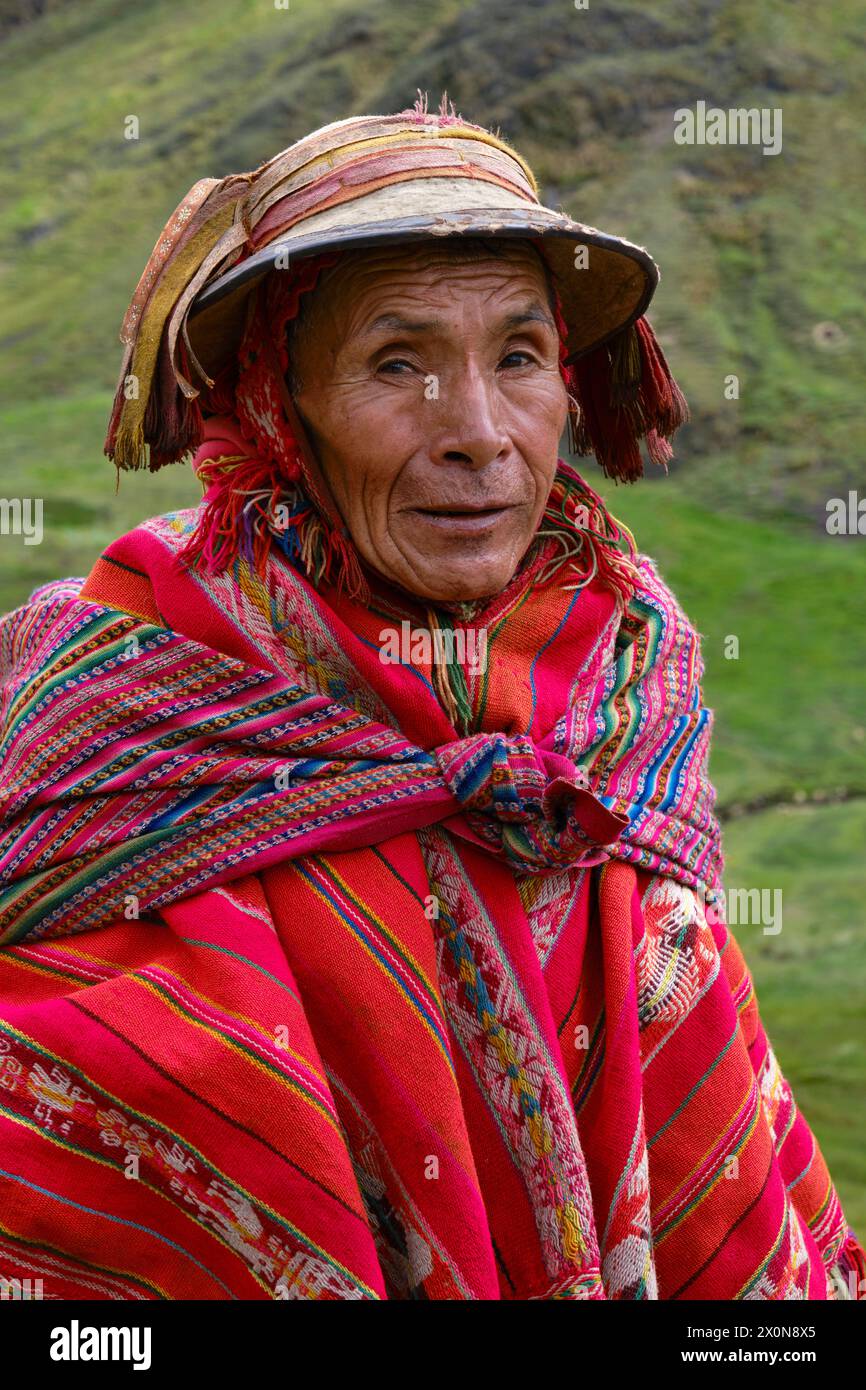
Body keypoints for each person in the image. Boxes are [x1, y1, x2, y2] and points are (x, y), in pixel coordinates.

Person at [0, 97, 862, 1302]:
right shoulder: (127, 694)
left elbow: (707, 1103)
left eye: (516, 357)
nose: (476, 433)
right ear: (275, 404)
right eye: (394, 363)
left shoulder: (625, 681)